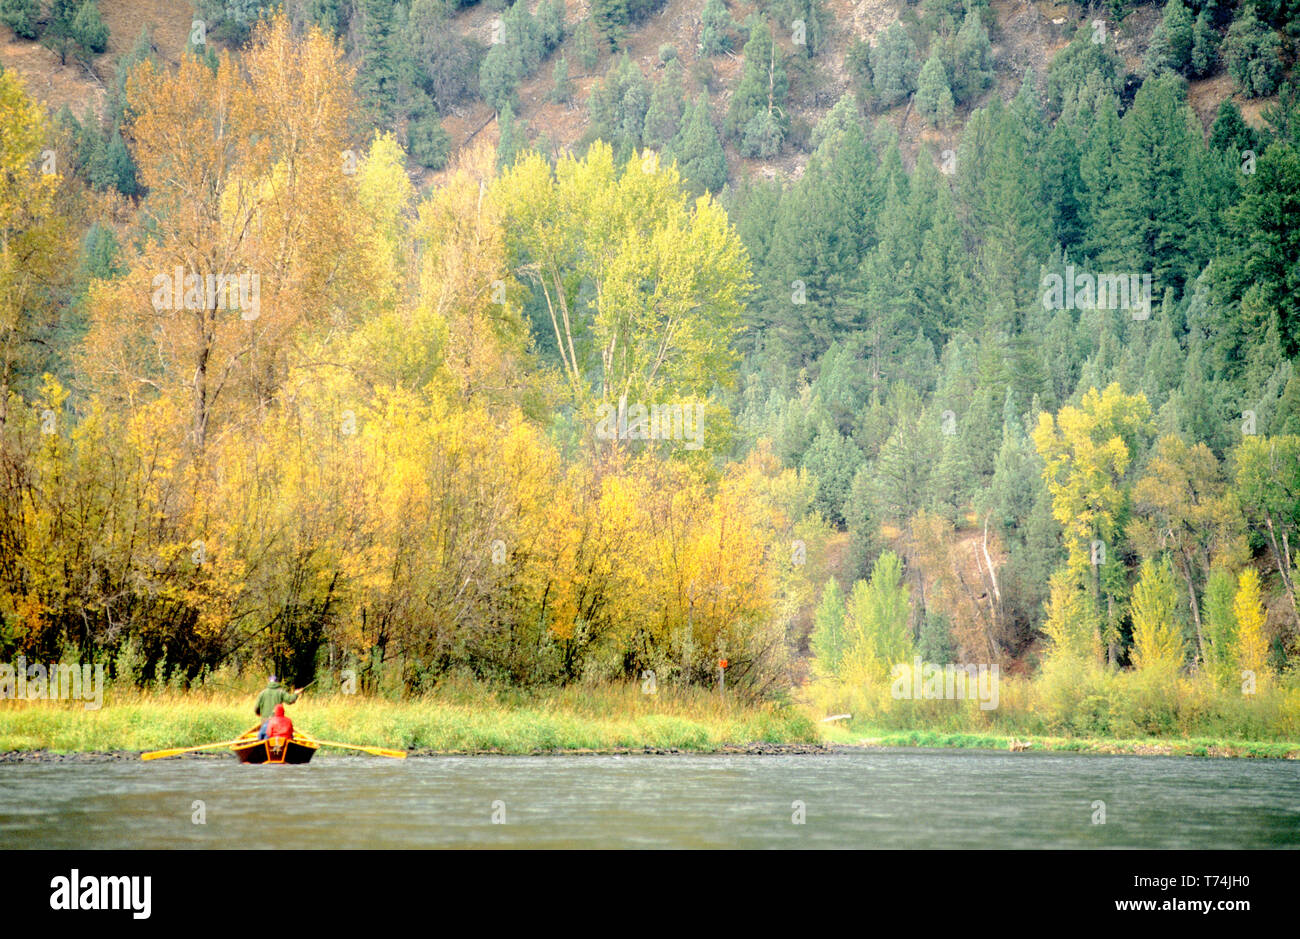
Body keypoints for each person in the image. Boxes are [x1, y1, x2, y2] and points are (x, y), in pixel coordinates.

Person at [255, 675, 301, 740]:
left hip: (265, 720)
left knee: (263, 736)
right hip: (278, 721)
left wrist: (259, 714)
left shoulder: (262, 693)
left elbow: (256, 708)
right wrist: (296, 694)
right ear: (277, 682)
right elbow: (290, 700)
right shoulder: (281, 692)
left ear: (269, 682)